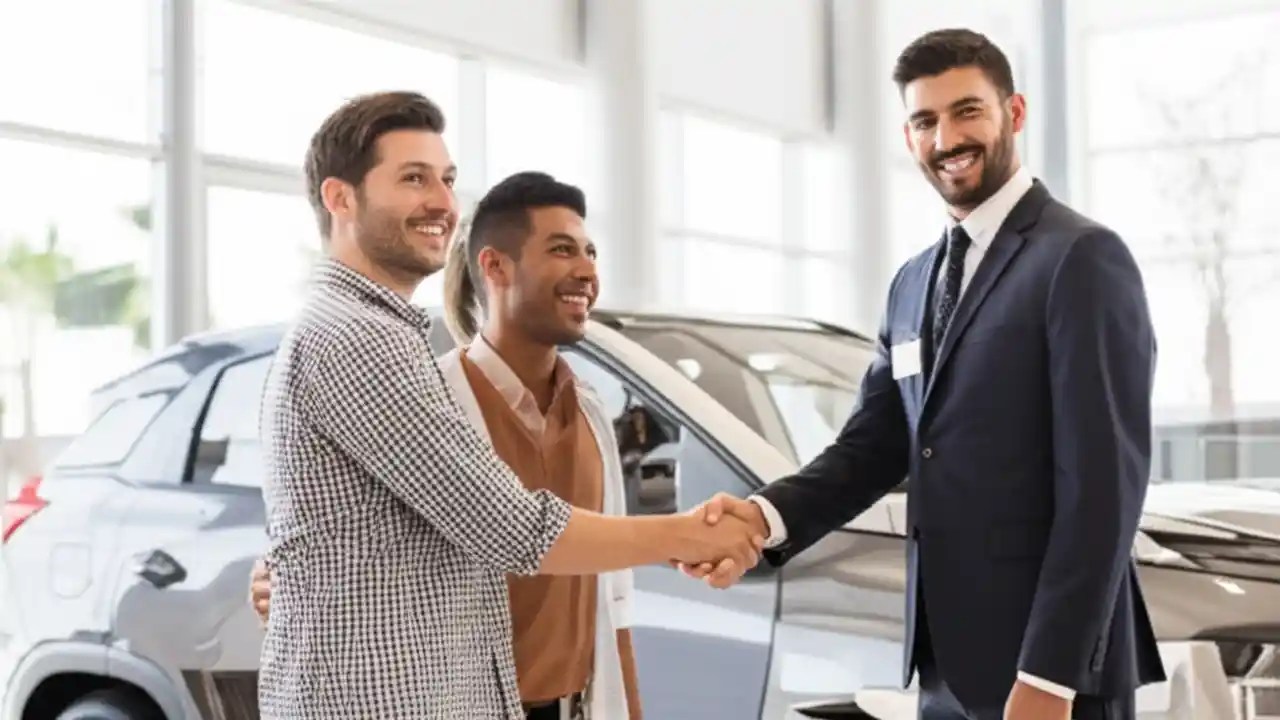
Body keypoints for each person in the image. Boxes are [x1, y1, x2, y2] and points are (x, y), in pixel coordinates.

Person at [687, 28, 1166, 720]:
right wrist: (763, 518)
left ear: (1015, 113)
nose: (946, 139)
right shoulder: (913, 283)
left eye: (967, 111)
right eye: (925, 121)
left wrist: (1050, 676)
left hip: (1049, 676)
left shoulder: (1081, 259)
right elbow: (873, 447)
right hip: (946, 666)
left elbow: (1104, 489)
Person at [256, 91, 762, 720]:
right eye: (413, 178)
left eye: (446, 180)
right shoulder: (357, 338)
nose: (442, 201)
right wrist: (688, 533)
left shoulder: (382, 336)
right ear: (340, 199)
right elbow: (512, 528)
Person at [252, 170, 645, 719]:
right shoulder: (431, 400)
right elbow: (354, 535)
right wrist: (281, 573)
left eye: (591, 252)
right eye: (562, 250)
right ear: (494, 265)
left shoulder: (591, 410)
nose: (587, 270)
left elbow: (615, 598)